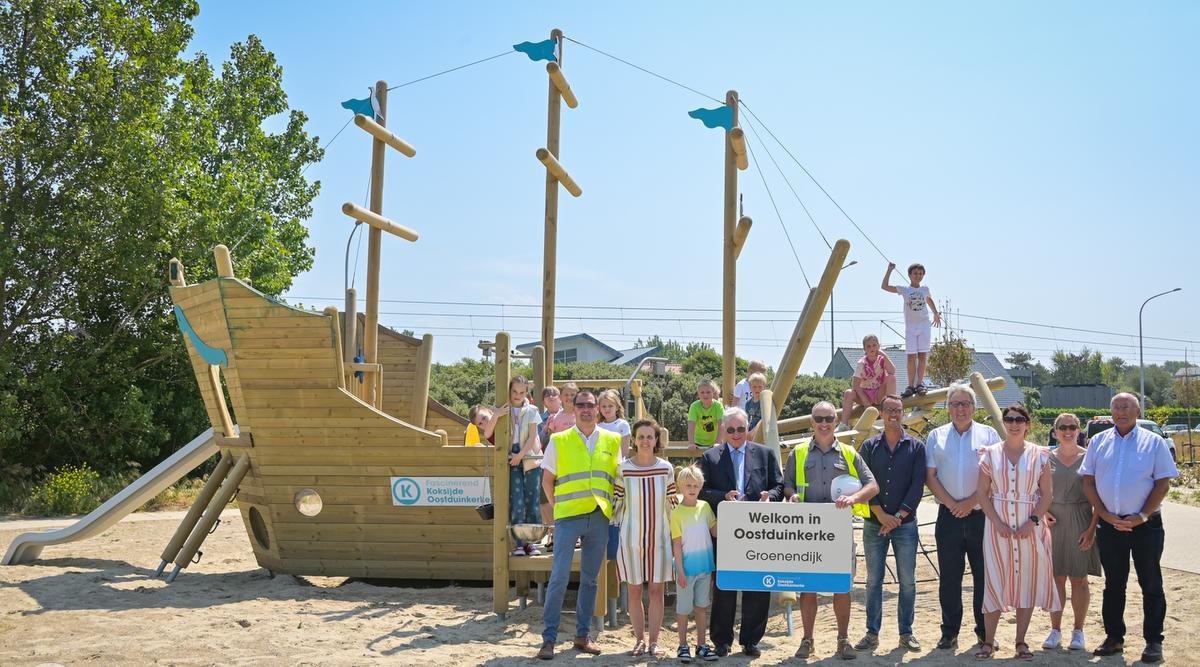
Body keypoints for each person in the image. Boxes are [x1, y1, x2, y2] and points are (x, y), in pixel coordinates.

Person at [1080, 393, 1178, 664]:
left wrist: (1142, 516)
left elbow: (1163, 483)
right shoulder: (1098, 442)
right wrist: (1104, 514)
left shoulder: (1154, 442)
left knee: (1151, 583)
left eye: (1126, 407)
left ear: (1137, 411)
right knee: (1113, 584)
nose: (1120, 412)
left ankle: (1153, 641)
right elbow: (1088, 482)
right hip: (1110, 525)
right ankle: (1114, 637)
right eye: (1116, 407)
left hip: (1146, 525)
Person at [784, 401, 879, 660]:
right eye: (819, 419)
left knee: (841, 586)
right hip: (807, 531)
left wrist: (854, 498)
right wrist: (792, 496)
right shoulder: (798, 453)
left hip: (838, 531)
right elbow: (787, 485)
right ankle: (807, 640)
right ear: (812, 422)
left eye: (828, 418)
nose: (824, 423)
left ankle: (843, 640)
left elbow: (872, 486)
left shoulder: (849, 453)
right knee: (808, 587)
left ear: (836, 421)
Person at [537, 390, 621, 660]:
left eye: (590, 405)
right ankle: (548, 639)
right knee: (559, 577)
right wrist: (559, 509)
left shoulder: (613, 440)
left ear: (597, 409)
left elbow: (617, 479)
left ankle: (583, 636)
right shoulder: (559, 440)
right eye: (581, 405)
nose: (586, 409)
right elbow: (547, 481)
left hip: (599, 517)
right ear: (573, 409)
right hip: (568, 517)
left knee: (590, 580)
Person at [974, 403, 1060, 660]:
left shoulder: (1040, 455)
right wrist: (997, 522)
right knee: (995, 580)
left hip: (1030, 526)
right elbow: (982, 493)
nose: (1014, 424)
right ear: (1004, 422)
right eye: (1009, 419)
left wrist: (1032, 521)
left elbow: (1047, 494)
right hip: (996, 526)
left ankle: (1021, 641)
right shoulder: (989, 454)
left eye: (1019, 419)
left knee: (1027, 581)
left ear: (1027, 423)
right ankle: (988, 641)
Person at [698, 407, 785, 657]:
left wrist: (771, 496)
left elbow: (779, 485)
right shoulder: (710, 457)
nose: (736, 434)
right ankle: (722, 641)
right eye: (731, 429)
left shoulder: (766, 454)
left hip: (758, 531)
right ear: (724, 430)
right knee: (724, 586)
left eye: (740, 429)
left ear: (748, 428)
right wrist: (723, 496)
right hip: (724, 530)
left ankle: (750, 640)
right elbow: (701, 490)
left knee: (757, 585)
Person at [924, 383, 1001, 650]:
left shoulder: (989, 434)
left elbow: (996, 475)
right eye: (955, 404)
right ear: (948, 407)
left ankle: (984, 631)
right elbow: (930, 476)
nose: (960, 409)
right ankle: (949, 632)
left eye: (965, 404)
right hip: (948, 517)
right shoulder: (936, 436)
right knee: (949, 578)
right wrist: (953, 504)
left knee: (983, 577)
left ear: (974, 407)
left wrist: (970, 503)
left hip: (981, 516)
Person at [854, 394, 925, 653]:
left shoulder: (917, 447)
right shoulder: (869, 447)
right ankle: (872, 633)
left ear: (903, 413)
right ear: (881, 414)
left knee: (908, 581)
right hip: (875, 524)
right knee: (873, 581)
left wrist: (897, 518)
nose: (894, 414)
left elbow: (917, 485)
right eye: (889, 410)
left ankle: (906, 633)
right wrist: (881, 515)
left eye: (898, 410)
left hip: (906, 525)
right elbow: (863, 482)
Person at [613, 418, 676, 658]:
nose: (645, 441)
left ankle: (654, 641)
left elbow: (671, 504)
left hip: (660, 538)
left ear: (656, 440)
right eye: (641, 437)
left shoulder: (666, 468)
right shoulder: (624, 469)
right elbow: (617, 505)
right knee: (635, 590)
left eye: (650, 436)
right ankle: (639, 640)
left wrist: (677, 535)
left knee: (657, 591)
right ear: (634, 440)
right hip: (631, 539)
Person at [1041, 412, 1100, 651]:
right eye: (1063, 427)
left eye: (1072, 427)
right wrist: (1043, 512)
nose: (1067, 431)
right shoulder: (1045, 458)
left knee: (1079, 578)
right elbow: (1035, 490)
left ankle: (1078, 631)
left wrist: (1092, 529)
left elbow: (1099, 496)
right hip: (1052, 523)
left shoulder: (1090, 458)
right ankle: (1055, 630)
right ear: (1055, 432)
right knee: (1056, 578)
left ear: (1079, 430)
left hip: (1081, 520)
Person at [672, 464, 720, 663]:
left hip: (705, 568)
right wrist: (680, 571)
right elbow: (676, 545)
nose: (692, 489)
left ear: (701, 486)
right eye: (688, 485)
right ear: (680, 486)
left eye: (695, 485)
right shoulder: (676, 513)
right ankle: (683, 645)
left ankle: (701, 645)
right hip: (686, 570)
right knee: (683, 610)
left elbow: (715, 531)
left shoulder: (705, 507)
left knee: (702, 607)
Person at [880, 261, 942, 397]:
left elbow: (929, 299)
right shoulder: (905, 289)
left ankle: (919, 384)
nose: (917, 276)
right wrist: (889, 270)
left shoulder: (925, 289)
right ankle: (910, 386)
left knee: (922, 356)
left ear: (923, 275)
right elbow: (884, 286)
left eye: (920, 273)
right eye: (915, 273)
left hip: (924, 326)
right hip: (911, 328)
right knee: (911, 357)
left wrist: (935, 313)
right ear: (909, 275)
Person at [500, 376, 543, 556]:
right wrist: (515, 456)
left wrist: (521, 455)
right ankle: (519, 543)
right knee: (516, 502)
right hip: (511, 458)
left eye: (522, 392)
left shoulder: (532, 410)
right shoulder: (505, 409)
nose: (517, 395)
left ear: (526, 393)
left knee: (532, 501)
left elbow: (533, 436)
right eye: (514, 391)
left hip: (529, 457)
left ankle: (531, 543)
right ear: (509, 391)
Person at [838, 334, 897, 431]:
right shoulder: (862, 363)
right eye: (868, 346)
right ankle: (844, 424)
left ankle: (890, 412)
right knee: (848, 393)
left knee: (891, 378)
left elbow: (892, 371)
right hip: (864, 394)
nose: (872, 348)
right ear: (864, 349)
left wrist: (883, 354)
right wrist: (865, 401)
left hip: (878, 393)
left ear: (878, 346)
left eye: (874, 345)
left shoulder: (882, 359)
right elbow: (855, 385)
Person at [688, 380, 725, 453]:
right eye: (702, 392)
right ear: (698, 394)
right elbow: (691, 426)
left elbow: (722, 425)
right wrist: (691, 443)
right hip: (698, 443)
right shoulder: (694, 406)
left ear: (713, 393)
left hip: (714, 443)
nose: (705, 395)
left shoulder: (718, 406)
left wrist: (718, 442)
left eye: (708, 392)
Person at [597, 389, 632, 458]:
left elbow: (624, 453)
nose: (607, 409)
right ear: (599, 409)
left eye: (610, 406)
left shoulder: (623, 425)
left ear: (617, 407)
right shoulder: (598, 426)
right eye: (604, 406)